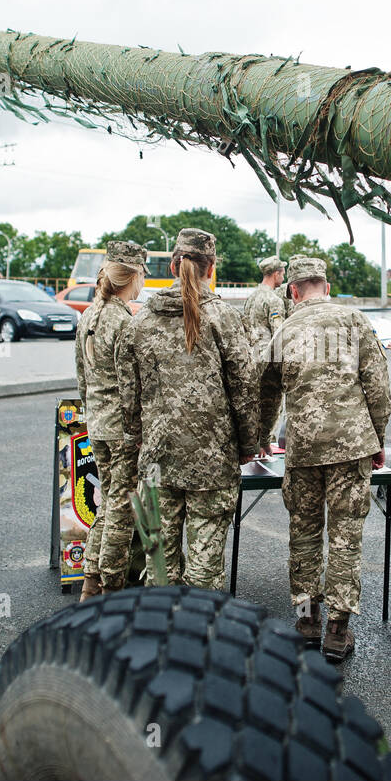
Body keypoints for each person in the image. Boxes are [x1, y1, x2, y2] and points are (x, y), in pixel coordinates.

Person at [258, 257, 390, 661]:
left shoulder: (284, 329)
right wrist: (378, 438)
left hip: (303, 449)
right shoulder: (354, 321)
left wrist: (263, 437)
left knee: (304, 533)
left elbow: (266, 391)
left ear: (293, 291)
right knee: (346, 537)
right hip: (351, 448)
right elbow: (378, 385)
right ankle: (337, 630)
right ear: (326, 287)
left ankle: (307, 619)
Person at [117, 228, 259, 588]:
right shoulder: (225, 317)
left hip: (156, 459)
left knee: (159, 564)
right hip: (212, 460)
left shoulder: (139, 322)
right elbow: (244, 388)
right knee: (204, 566)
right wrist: (248, 444)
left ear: (172, 265)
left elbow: (128, 395)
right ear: (210, 268)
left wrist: (136, 437)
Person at [75, 239, 147, 599]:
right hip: (123, 428)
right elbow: (133, 384)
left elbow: (81, 377)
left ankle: (91, 581)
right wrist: (140, 429)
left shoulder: (88, 315)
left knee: (110, 502)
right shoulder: (124, 321)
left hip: (98, 424)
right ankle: (111, 587)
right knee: (122, 508)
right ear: (132, 277)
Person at [243, 256, 286, 452]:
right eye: (282, 273)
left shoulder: (251, 297)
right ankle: (264, 446)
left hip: (251, 360)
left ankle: (253, 444)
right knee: (270, 407)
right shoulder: (274, 300)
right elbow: (278, 335)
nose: (283, 277)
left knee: (253, 405)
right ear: (276, 273)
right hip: (268, 363)